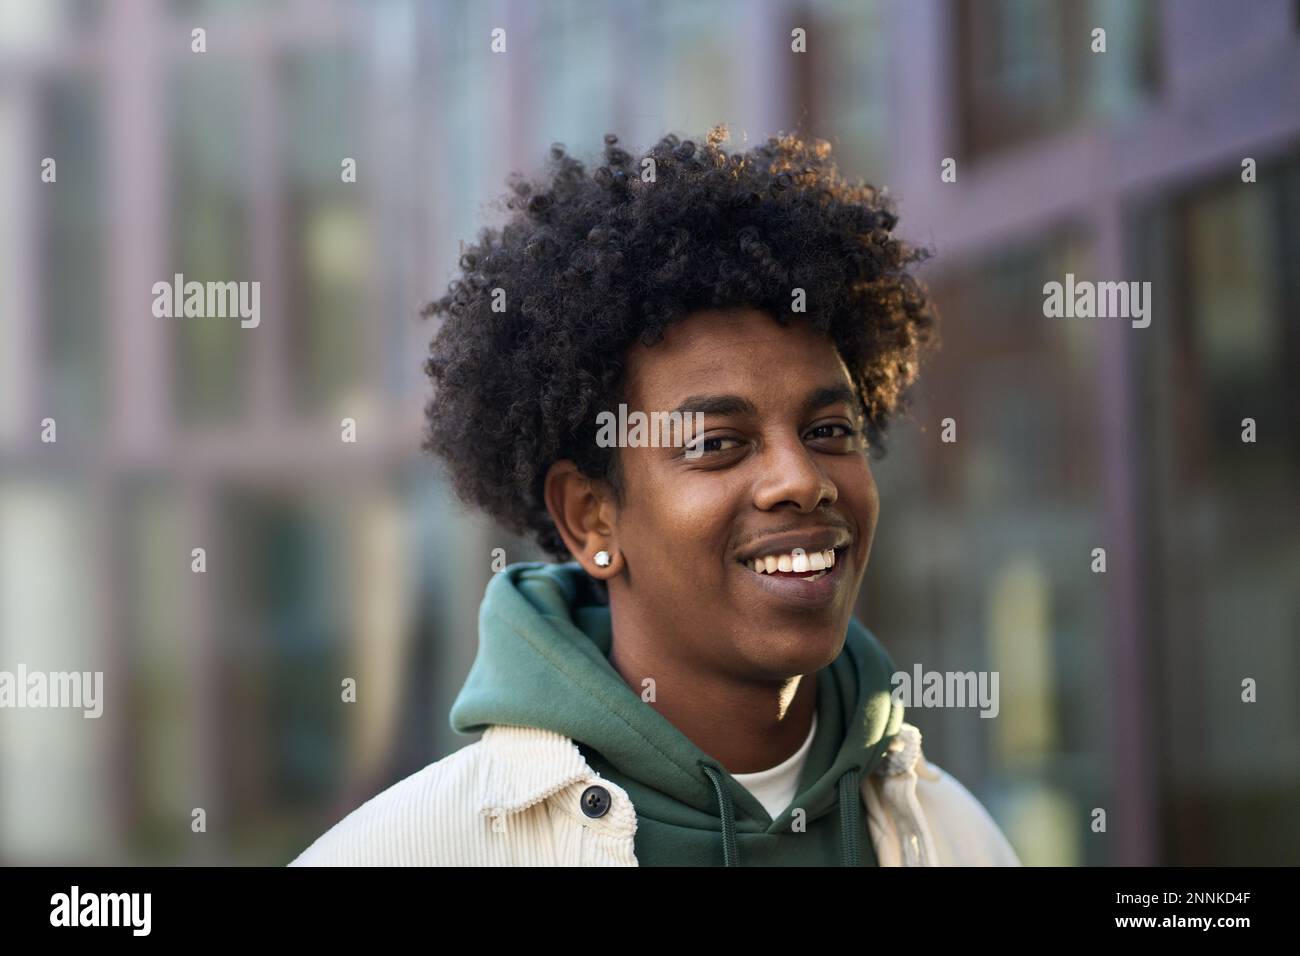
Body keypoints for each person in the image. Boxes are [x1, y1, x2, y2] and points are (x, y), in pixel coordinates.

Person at [290, 125, 1020, 866]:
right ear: (590, 516)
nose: (802, 479)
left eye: (830, 429)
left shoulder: (952, 837)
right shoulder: (409, 853)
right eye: (716, 443)